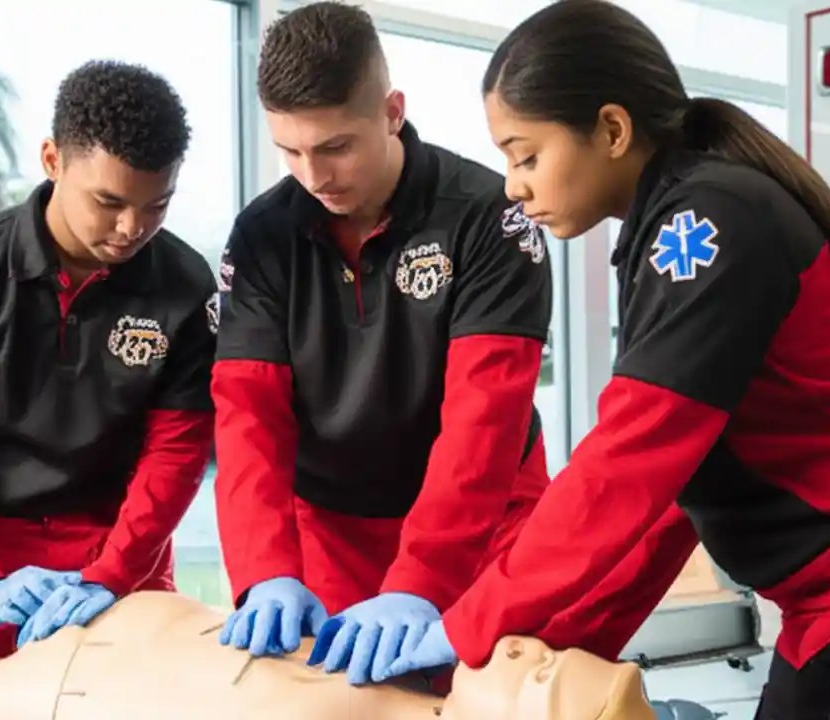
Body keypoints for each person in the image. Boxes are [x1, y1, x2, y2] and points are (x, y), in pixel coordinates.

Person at [364, 1, 830, 717]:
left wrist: (466, 625)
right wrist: (540, 647)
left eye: (526, 155)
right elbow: (670, 496)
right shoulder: (672, 227)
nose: (513, 184)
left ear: (613, 131)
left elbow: (626, 465)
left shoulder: (708, 222)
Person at [211, 1, 554, 685]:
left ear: (392, 111)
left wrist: (422, 578)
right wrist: (264, 571)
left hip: (486, 522)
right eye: (290, 151)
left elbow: (483, 422)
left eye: (336, 147)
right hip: (331, 530)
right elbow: (247, 417)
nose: (314, 176)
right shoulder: (261, 234)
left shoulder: (492, 217)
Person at [0, 60, 218, 660]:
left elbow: (177, 454)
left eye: (156, 205)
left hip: (120, 553)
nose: (131, 227)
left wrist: (113, 572)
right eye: (109, 201)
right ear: (53, 160)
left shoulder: (186, 287)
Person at [0, 585, 659, 720]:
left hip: (65, 694)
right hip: (145, 626)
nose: (522, 649)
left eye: (538, 676)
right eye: (544, 653)